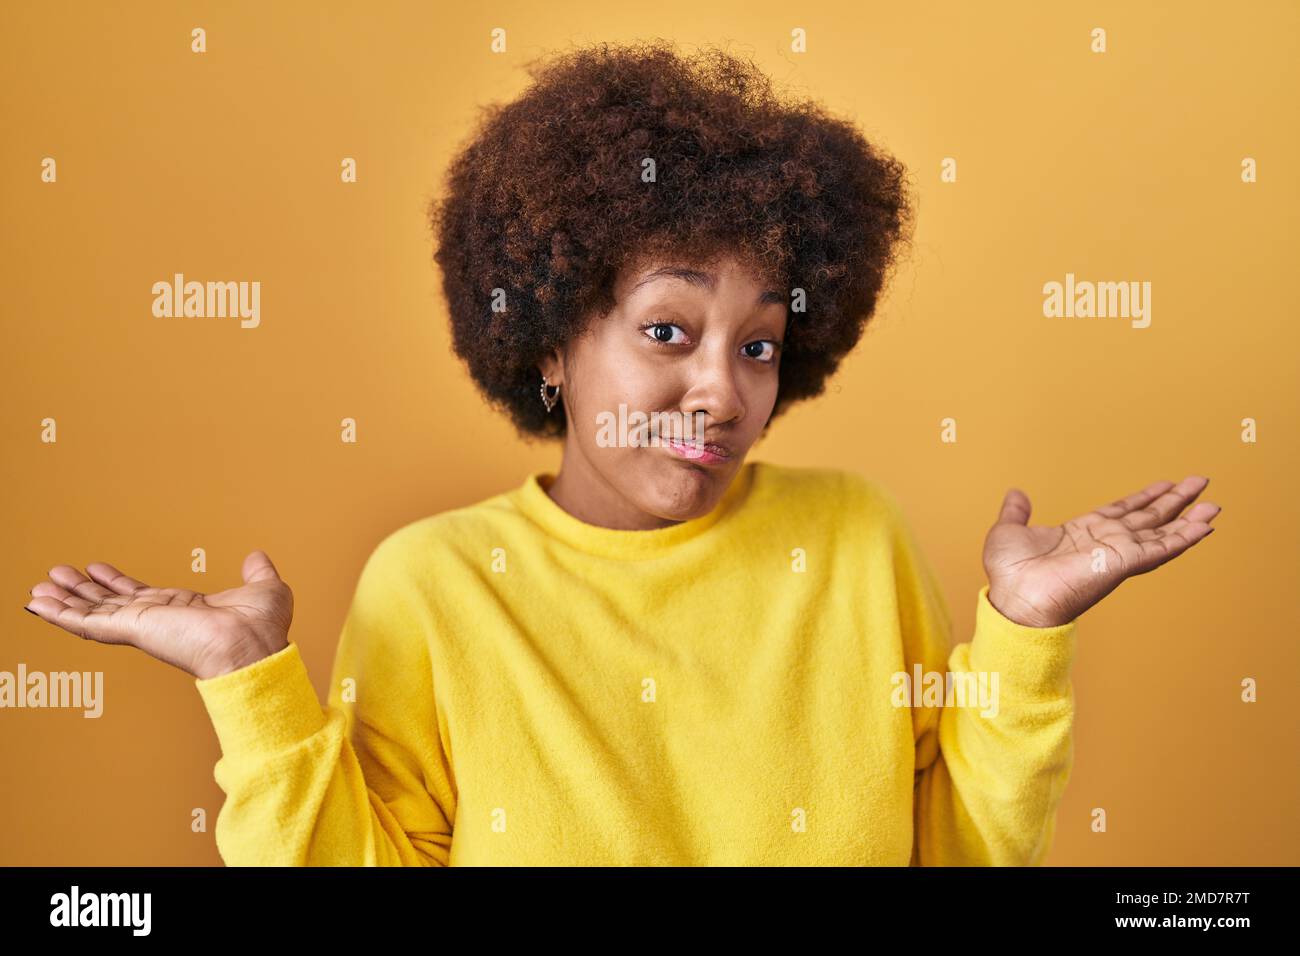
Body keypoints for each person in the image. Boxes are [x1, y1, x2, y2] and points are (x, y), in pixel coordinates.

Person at [22, 41, 1219, 866]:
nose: (719, 390)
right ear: (550, 339)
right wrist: (252, 685)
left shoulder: (855, 535)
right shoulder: (434, 584)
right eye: (667, 330)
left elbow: (959, 849)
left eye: (759, 346)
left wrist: (1021, 633)